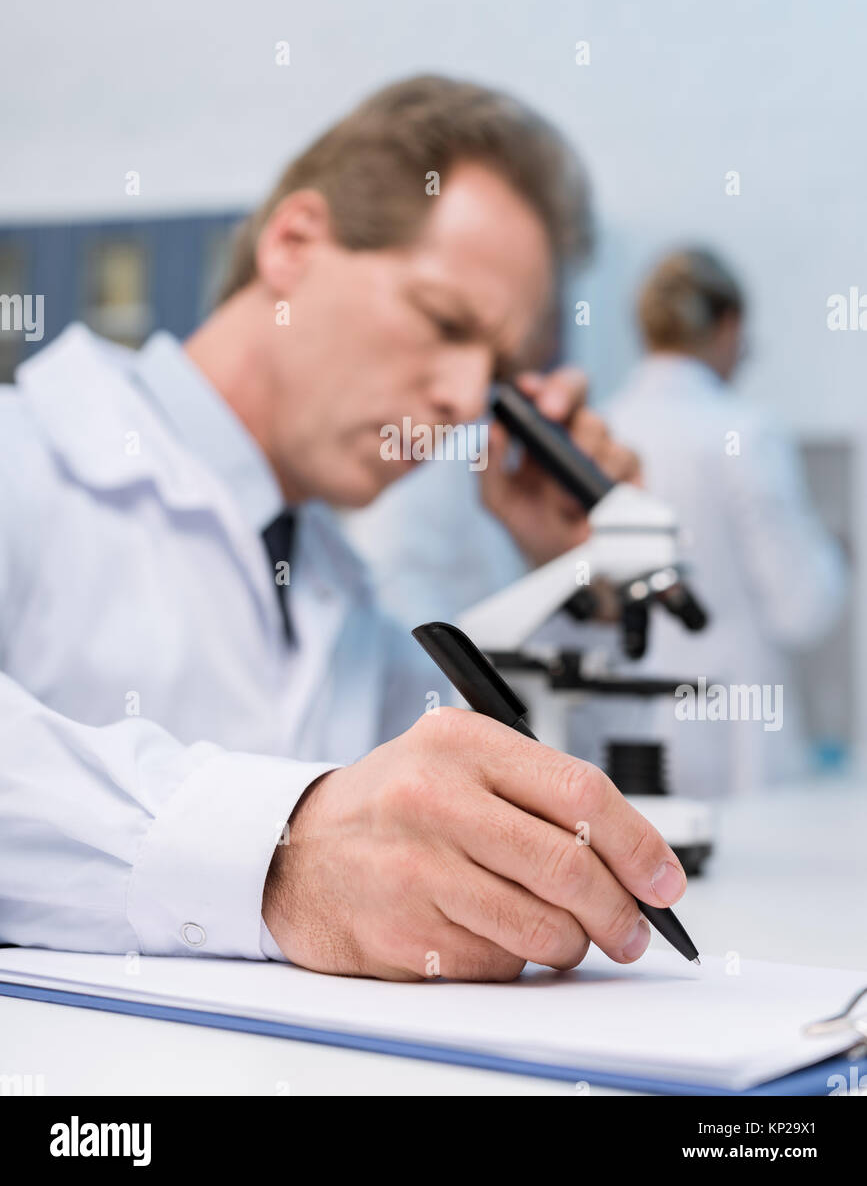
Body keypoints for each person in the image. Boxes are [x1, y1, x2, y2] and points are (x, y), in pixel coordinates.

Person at [0, 75, 685, 981]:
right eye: (444, 322)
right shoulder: (26, 457)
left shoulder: (337, 588)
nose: (460, 397)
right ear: (293, 244)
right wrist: (285, 850)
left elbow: (507, 828)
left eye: (496, 374)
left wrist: (562, 574)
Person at [590, 247, 847, 796]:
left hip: (625, 738)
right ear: (730, 326)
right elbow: (802, 608)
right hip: (741, 747)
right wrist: (836, 556)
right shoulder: (746, 434)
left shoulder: (602, 428)